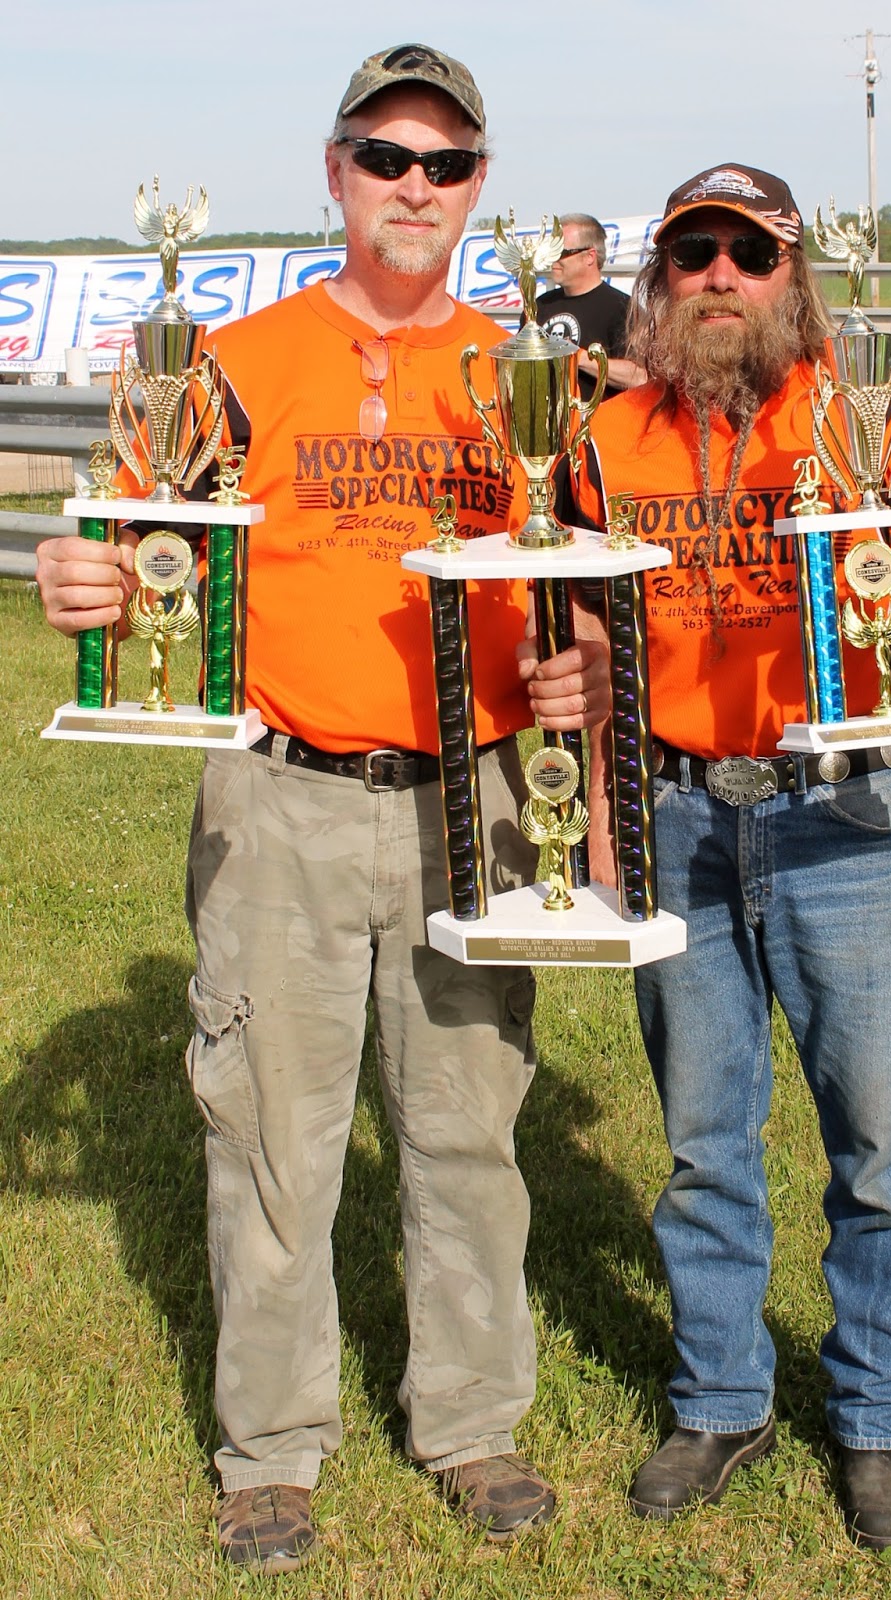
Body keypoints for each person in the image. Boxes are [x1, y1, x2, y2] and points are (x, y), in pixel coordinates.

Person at [35, 42, 604, 1574]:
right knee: (275, 1135)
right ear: (337, 172)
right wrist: (69, 576)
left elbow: (591, 596)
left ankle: (473, 1423)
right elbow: (127, 544)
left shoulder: (523, 373)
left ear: (479, 184)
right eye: (384, 156)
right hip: (282, 793)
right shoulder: (240, 357)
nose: (413, 187)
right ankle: (271, 1448)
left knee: (468, 1128)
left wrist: (581, 678)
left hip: (474, 797)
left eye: (445, 162)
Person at [548, 163, 891, 1552]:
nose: (717, 277)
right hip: (677, 816)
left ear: (792, 277)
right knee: (704, 1146)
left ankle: (876, 1425)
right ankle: (721, 1399)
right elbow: (571, 635)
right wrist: (584, 784)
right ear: (655, 280)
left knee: (873, 1151)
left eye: (745, 256)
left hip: (848, 821)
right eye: (691, 252)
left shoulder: (882, 415)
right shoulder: (600, 437)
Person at [530, 213, 645, 396]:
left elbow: (641, 376)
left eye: (561, 252)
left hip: (599, 421)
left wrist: (580, 358)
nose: (553, 260)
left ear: (590, 256)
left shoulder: (623, 309)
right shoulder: (540, 305)